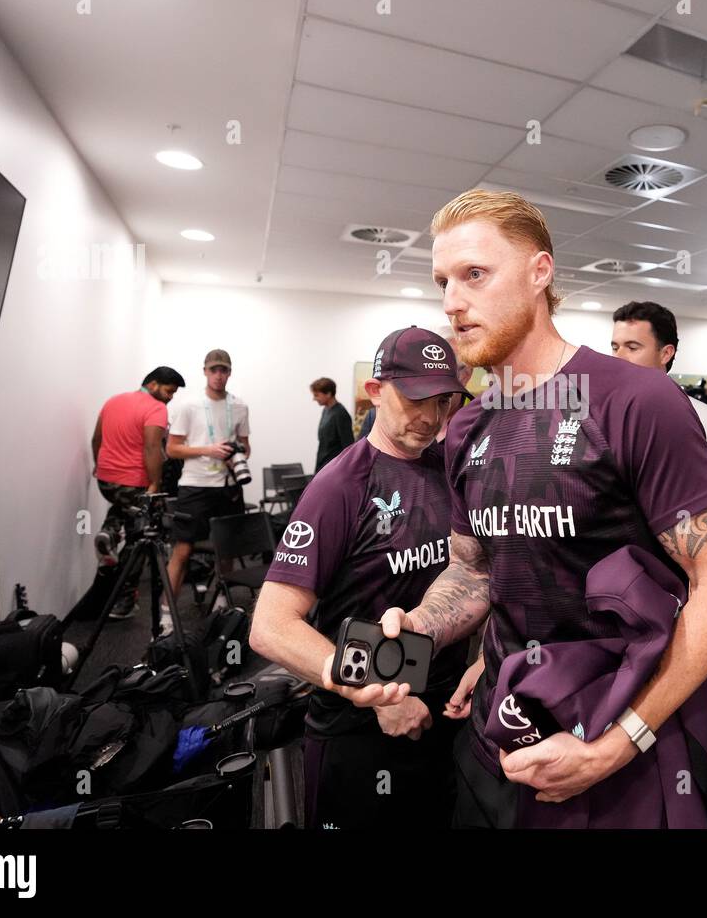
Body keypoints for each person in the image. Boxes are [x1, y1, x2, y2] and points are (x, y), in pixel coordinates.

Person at [318, 189, 707, 829]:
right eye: (442, 281)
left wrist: (617, 742)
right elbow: (475, 570)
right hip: (505, 726)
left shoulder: (636, 401)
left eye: (474, 275)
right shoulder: (466, 426)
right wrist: (417, 627)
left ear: (539, 272)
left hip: (618, 730)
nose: (452, 302)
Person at [250, 327, 472, 829]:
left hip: (445, 715)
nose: (431, 417)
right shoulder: (339, 487)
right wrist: (372, 693)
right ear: (375, 392)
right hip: (361, 726)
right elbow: (271, 626)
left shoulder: (449, 469)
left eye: (443, 401)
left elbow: (473, 577)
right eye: (415, 398)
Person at [610, 300, 707, 600]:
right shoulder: (599, 418)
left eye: (633, 347)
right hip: (611, 581)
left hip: (678, 584)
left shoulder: (706, 421)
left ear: (667, 353)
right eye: (615, 347)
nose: (618, 357)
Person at [163, 350, 252, 634]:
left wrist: (238, 451)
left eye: (223, 370)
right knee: (182, 550)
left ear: (229, 373)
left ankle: (222, 600)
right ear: (204, 371)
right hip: (195, 485)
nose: (218, 375)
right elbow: (172, 448)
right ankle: (167, 616)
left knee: (225, 549)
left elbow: (247, 446)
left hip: (227, 487)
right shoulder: (189, 407)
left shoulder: (239, 407)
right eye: (214, 370)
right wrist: (208, 450)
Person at [91, 366, 184, 617]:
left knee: (123, 507)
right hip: (134, 481)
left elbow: (96, 438)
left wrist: (97, 465)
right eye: (168, 391)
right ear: (152, 385)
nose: (170, 397)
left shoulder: (114, 401)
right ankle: (125, 599)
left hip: (106, 480)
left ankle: (108, 534)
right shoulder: (156, 408)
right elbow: (152, 448)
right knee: (138, 538)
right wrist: (154, 484)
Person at [312, 377, 354, 473]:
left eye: (317, 395)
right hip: (323, 464)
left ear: (328, 394)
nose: (314, 399)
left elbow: (348, 446)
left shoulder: (340, 413)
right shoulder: (326, 410)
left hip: (334, 468)